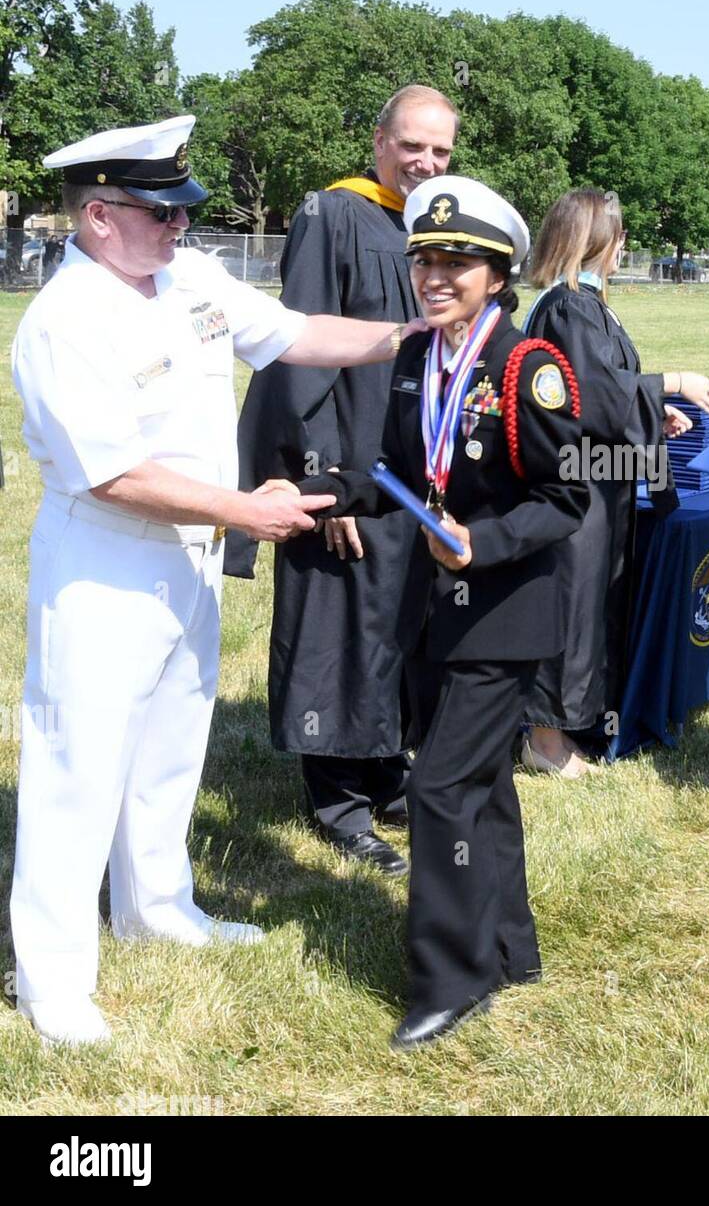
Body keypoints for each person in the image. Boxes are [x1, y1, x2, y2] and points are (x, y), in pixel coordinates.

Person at [9, 116, 420, 1046]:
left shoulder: (184, 276)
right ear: (101, 215)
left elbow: (296, 332)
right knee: (78, 768)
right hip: (108, 561)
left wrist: (415, 334)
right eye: (161, 213)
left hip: (185, 557)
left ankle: (156, 904)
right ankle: (54, 979)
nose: (180, 228)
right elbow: (113, 474)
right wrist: (246, 512)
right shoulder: (65, 321)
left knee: (169, 745)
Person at [298, 175, 589, 1049]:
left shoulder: (526, 368)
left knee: (438, 788)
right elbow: (393, 469)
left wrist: (485, 542)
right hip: (431, 611)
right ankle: (508, 946)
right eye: (425, 257)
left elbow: (566, 497)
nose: (435, 274)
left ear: (496, 275)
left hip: (503, 615)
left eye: (457, 260)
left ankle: (450, 981)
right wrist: (321, 490)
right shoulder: (418, 356)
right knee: (478, 785)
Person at [226, 85, 458, 874]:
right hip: (345, 464)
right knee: (337, 626)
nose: (425, 162)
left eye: (440, 151)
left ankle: (385, 771)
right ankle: (338, 801)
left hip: (410, 470)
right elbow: (299, 348)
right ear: (378, 140)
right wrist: (319, 476)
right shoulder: (333, 216)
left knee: (396, 624)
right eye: (412, 145)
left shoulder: (430, 228)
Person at [520, 189, 709, 776]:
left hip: (601, 479)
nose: (625, 244)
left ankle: (573, 724)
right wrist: (672, 382)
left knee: (593, 600)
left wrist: (656, 410)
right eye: (620, 233)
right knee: (570, 602)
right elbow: (593, 396)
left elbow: (614, 388)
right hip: (573, 482)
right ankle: (543, 739)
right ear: (598, 240)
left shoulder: (590, 305)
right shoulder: (568, 306)